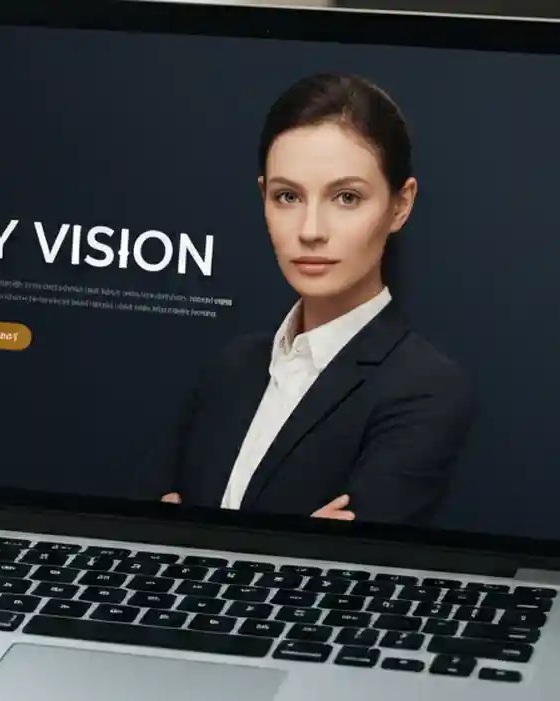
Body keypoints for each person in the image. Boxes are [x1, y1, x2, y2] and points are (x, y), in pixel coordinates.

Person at [141, 73, 473, 525]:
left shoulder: (427, 389)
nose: (310, 230)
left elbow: (334, 575)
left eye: (346, 197)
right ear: (263, 198)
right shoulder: (230, 367)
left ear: (400, 205)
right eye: (287, 196)